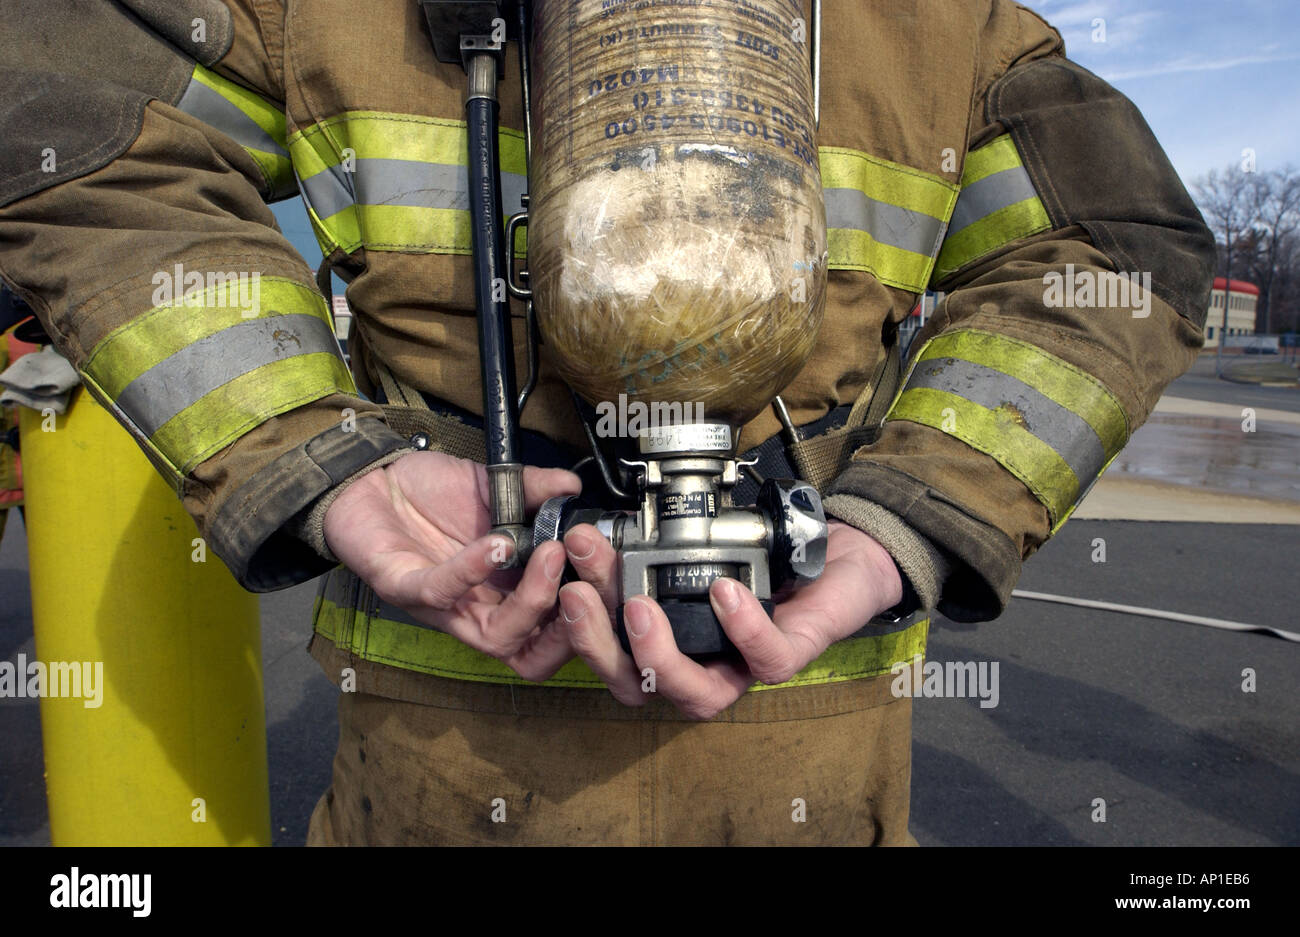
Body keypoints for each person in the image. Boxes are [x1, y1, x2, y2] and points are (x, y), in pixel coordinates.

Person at [0, 0, 1213, 845]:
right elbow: (67, 122)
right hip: (474, 773)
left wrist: (910, 516)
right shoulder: (938, 22)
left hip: (732, 772)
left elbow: (1111, 251)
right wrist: (319, 462)